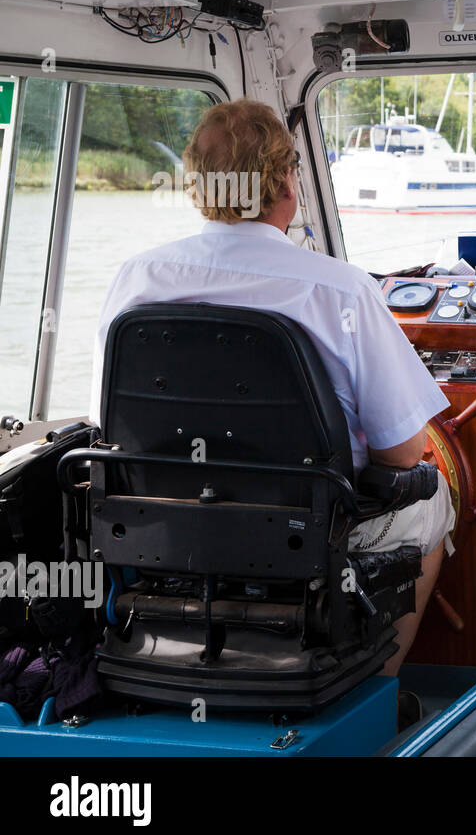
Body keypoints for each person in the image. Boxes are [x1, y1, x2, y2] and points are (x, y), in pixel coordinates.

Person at [88, 98, 453, 680]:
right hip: (306, 533)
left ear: (199, 186)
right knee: (433, 500)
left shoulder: (138, 279)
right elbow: (403, 454)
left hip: (170, 528)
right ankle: (376, 692)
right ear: (286, 181)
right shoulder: (341, 290)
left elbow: (109, 427)